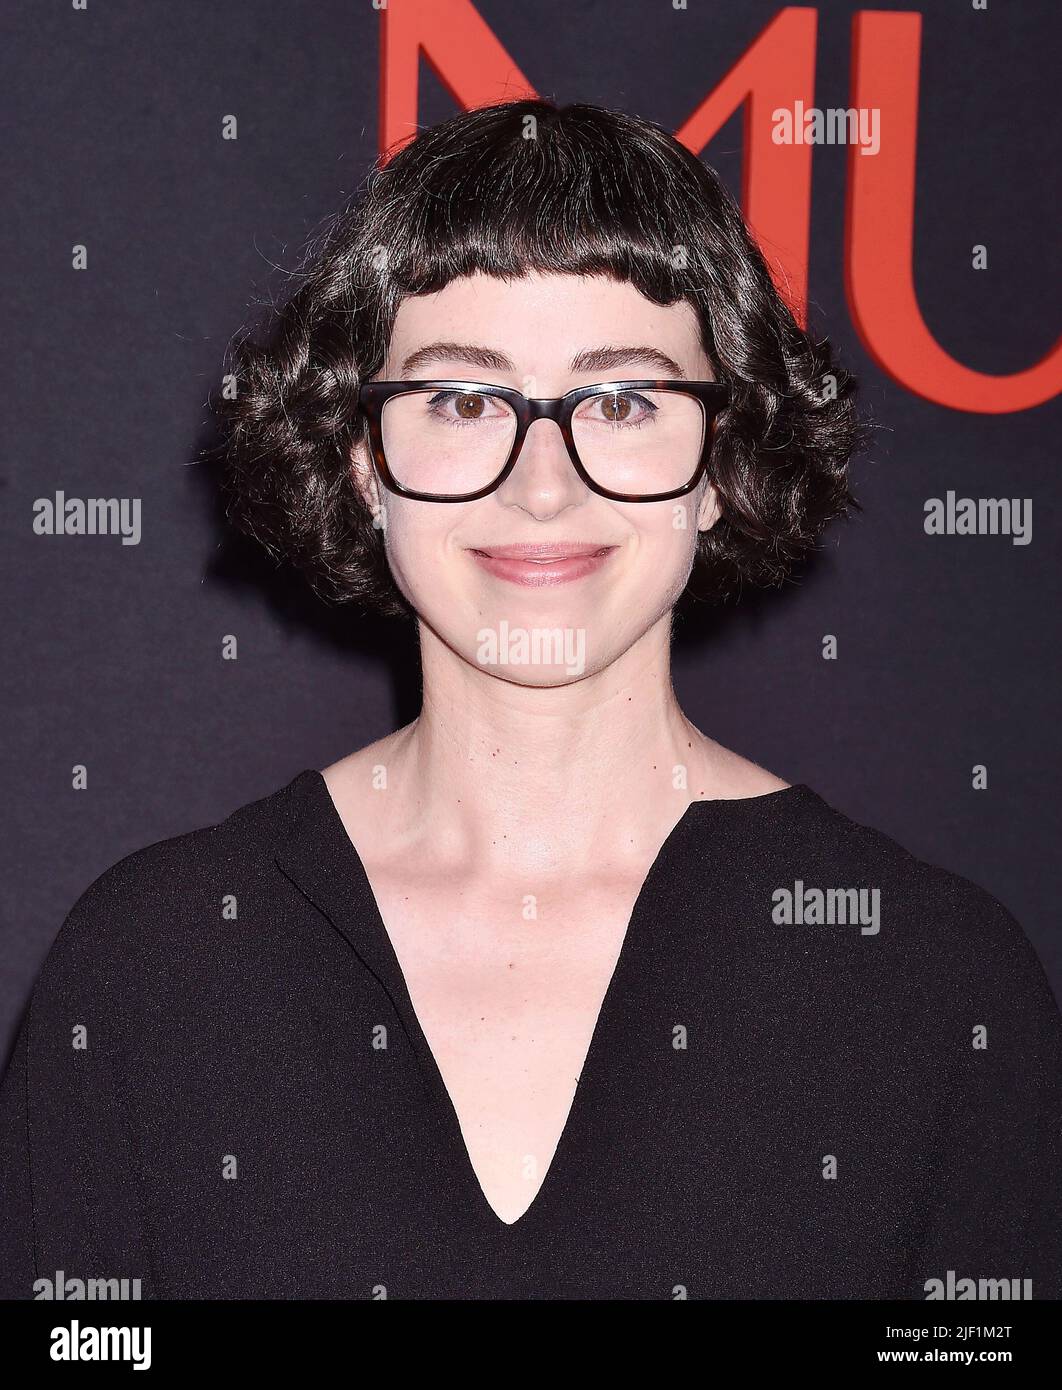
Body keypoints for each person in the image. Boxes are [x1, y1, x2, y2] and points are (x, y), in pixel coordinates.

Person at [1, 99, 1058, 1300]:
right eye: (464, 400)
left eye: (620, 401)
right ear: (364, 459)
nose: (543, 486)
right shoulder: (152, 968)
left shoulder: (935, 981)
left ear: (718, 464)